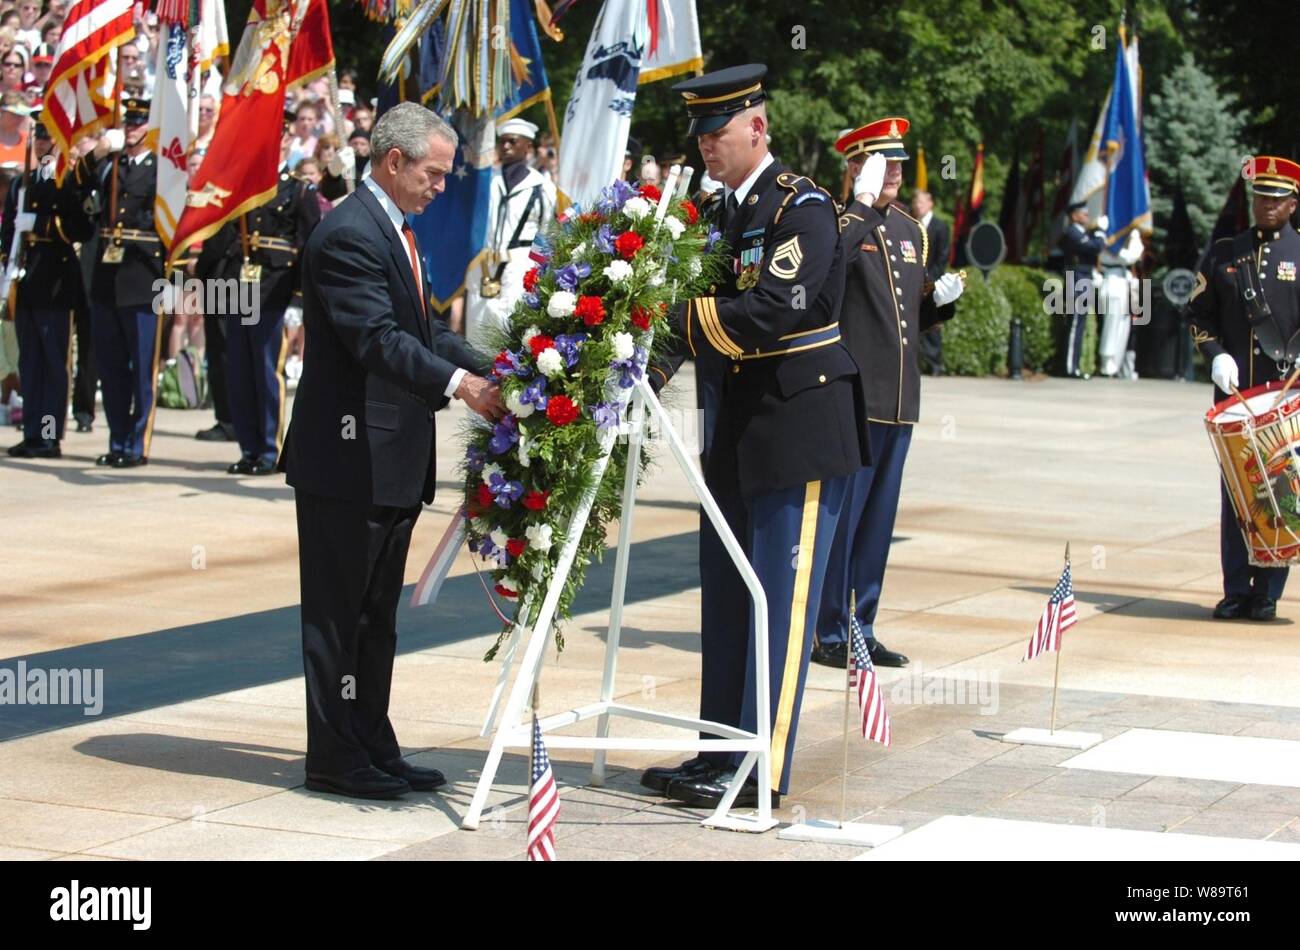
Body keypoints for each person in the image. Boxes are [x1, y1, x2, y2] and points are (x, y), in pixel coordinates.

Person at [642, 65, 868, 809]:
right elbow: (687, 298)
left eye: (719, 132)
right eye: (700, 135)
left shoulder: (799, 209)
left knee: (780, 602)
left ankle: (759, 770)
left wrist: (665, 326)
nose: (706, 146)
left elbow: (771, 310)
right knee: (730, 599)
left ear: (757, 128)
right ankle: (718, 753)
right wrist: (630, 358)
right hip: (734, 432)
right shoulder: (715, 213)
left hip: (796, 428)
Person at [280, 102, 502, 800]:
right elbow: (377, 339)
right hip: (348, 462)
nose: (441, 187)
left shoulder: (395, 229)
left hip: (390, 461)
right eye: (433, 174)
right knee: (339, 617)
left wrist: (495, 365)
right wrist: (462, 384)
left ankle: (371, 739)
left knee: (376, 616)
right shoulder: (348, 233)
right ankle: (334, 757)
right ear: (394, 161)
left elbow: (425, 331)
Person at [809, 119, 965, 671]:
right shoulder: (834, 217)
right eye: (883, 161)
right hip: (852, 396)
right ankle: (827, 629)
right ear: (855, 166)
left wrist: (940, 302)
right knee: (842, 519)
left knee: (877, 522)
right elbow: (824, 279)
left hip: (899, 399)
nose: (896, 170)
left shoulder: (908, 228)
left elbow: (908, 317)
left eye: (899, 161)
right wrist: (862, 202)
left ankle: (861, 624)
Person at [1188, 155, 1300, 622]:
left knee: (1279, 493)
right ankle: (1236, 587)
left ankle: (1268, 591)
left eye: (1275, 199)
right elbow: (1198, 315)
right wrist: (1215, 355)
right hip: (1234, 395)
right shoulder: (1223, 253)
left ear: (1293, 204)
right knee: (1236, 491)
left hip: (1284, 396)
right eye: (1260, 197)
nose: (1265, 206)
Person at [202, 108, 321, 476]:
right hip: (239, 287)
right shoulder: (244, 187)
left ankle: (270, 448)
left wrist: (299, 301)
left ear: (287, 139)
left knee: (267, 370)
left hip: (275, 290)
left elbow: (309, 248)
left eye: (279, 136)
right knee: (239, 369)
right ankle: (248, 446)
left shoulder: (298, 189)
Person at [1, 107, 92, 458]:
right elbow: (8, 231)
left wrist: (39, 225)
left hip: (56, 282)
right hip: (26, 283)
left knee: (54, 363)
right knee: (30, 363)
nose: (41, 143)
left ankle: (50, 436)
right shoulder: (22, 182)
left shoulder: (67, 179)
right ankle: (32, 431)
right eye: (38, 136)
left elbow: (82, 228)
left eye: (47, 137)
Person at [79, 96, 164, 467]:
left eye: (139, 123)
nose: (132, 129)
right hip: (106, 278)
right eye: (128, 123)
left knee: (141, 368)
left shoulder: (162, 170)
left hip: (142, 279)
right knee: (111, 368)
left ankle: (137, 443)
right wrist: (96, 153)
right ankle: (117, 440)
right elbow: (75, 189)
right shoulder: (108, 167)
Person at [461, 117, 555, 351]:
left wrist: (540, 274)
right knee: (476, 329)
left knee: (510, 331)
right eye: (502, 141)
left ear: (528, 147)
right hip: (484, 265)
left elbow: (545, 233)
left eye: (512, 141)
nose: (505, 147)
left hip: (519, 267)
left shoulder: (542, 187)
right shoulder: (486, 181)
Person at [1059, 200, 1107, 378]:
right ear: (1074, 215)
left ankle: (1074, 366)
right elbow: (1094, 247)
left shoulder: (1081, 232)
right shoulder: (1072, 232)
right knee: (1074, 324)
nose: (1087, 215)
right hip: (1076, 279)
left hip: (1083, 278)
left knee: (1079, 324)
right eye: (1083, 213)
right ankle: (1070, 367)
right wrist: (1101, 232)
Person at [911, 189, 950, 375]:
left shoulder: (940, 226)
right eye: (916, 202)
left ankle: (936, 363)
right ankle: (917, 362)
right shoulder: (912, 225)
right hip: (914, 281)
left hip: (932, 280)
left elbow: (942, 257)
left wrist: (930, 280)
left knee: (932, 324)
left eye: (921, 202)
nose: (918, 206)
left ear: (930, 203)